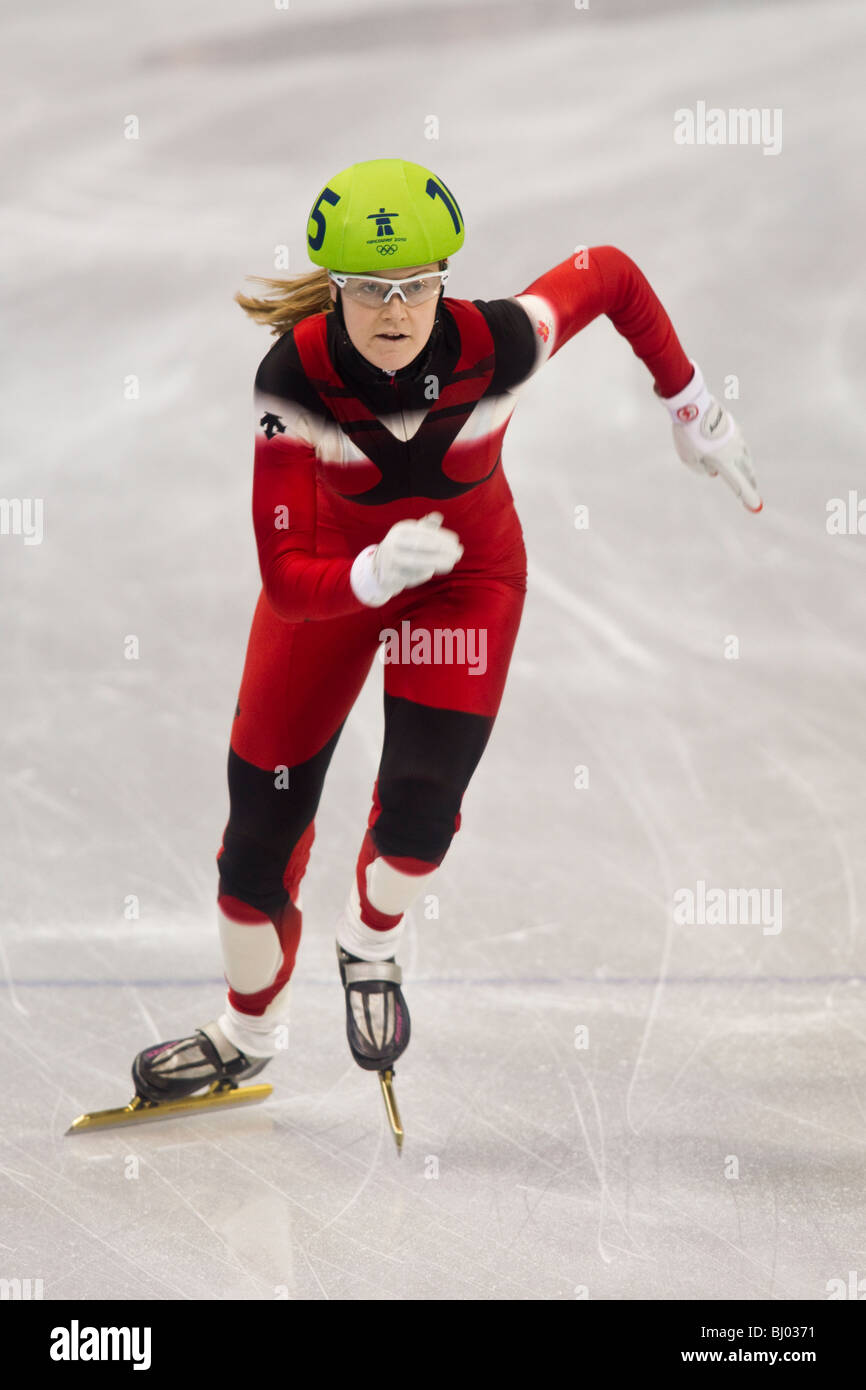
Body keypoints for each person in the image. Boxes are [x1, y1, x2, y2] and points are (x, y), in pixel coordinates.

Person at [130, 157, 760, 1106]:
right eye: (374, 290)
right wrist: (370, 574)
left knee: (420, 822)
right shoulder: (294, 376)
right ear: (336, 291)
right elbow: (286, 584)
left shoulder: (500, 343)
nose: (397, 311)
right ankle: (246, 1033)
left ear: (445, 280)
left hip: (465, 585)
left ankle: (369, 946)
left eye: (419, 286)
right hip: (334, 590)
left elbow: (612, 273)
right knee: (255, 847)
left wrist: (691, 402)